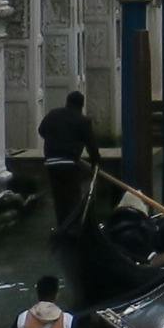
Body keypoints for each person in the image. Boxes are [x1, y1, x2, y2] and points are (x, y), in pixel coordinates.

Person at [37, 88, 97, 231]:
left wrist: (55, 140)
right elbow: (92, 146)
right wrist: (96, 164)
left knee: (59, 198)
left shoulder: (53, 114)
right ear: (81, 106)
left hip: (51, 163)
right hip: (69, 164)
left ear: (67, 102)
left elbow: (41, 130)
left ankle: (61, 226)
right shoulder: (83, 121)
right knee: (72, 197)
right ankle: (72, 227)